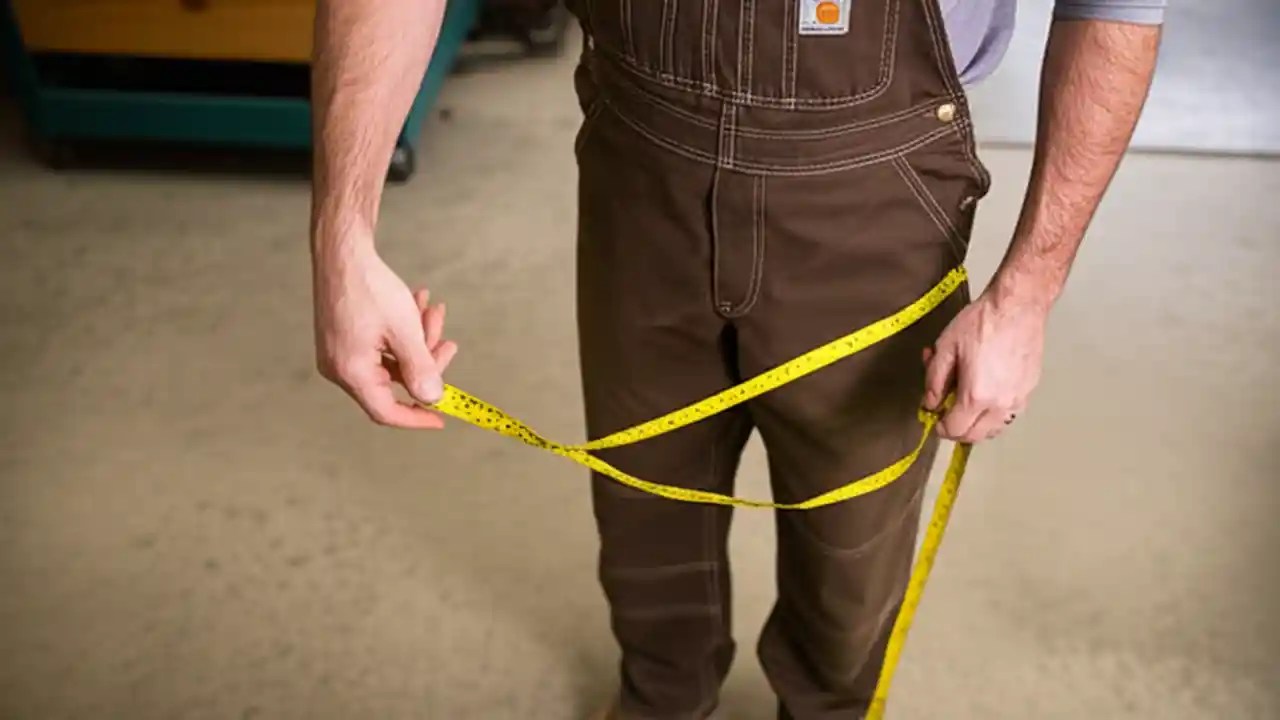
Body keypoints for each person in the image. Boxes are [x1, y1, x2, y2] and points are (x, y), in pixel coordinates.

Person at [308, 0, 1164, 717]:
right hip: (640, 166)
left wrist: (1027, 294)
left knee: (851, 554)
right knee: (644, 510)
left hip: (874, 192)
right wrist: (342, 236)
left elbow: (1116, 7)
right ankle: (662, 694)